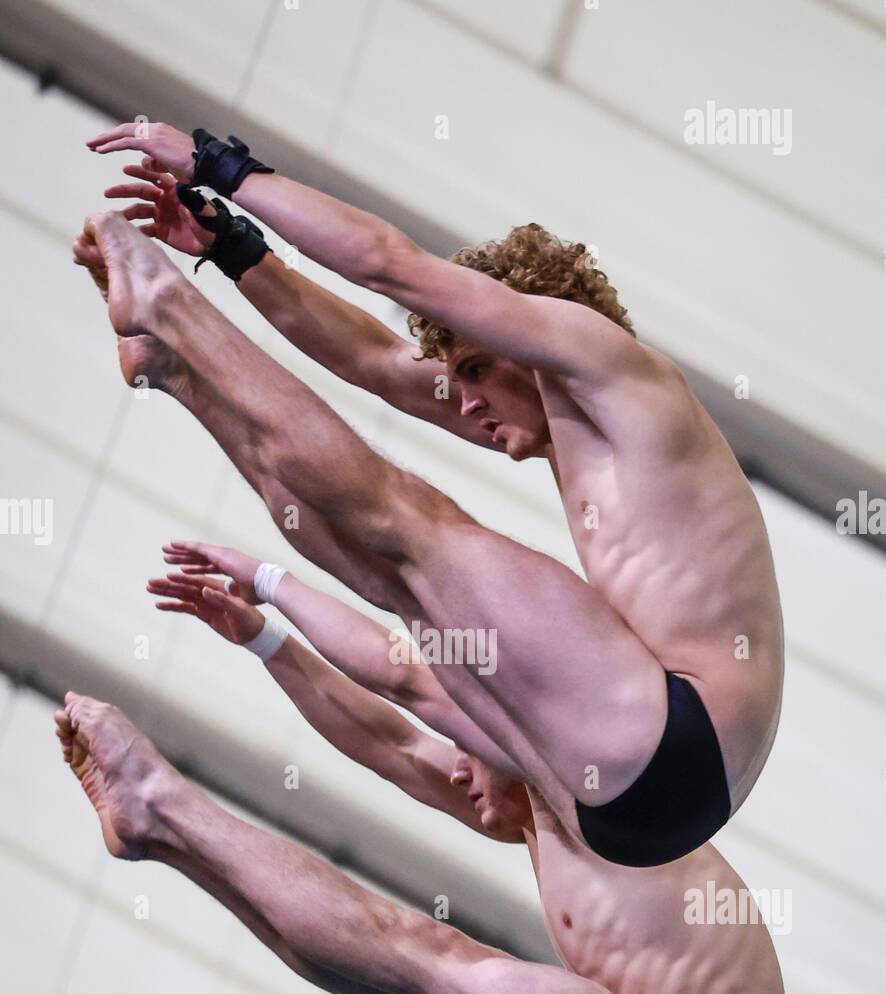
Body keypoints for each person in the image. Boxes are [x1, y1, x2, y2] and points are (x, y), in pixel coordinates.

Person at [77, 121, 784, 866]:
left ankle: (167, 303)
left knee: (409, 520)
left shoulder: (611, 369)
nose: (466, 400)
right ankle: (180, 370)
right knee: (391, 580)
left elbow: (390, 265)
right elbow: (376, 360)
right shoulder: (570, 420)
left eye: (477, 369)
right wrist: (233, 250)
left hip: (673, 736)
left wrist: (223, 167)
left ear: (529, 333)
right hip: (623, 801)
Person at [78, 542, 780, 994]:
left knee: (422, 956)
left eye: (469, 754)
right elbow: (391, 745)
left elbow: (402, 678)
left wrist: (270, 580)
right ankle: (161, 837)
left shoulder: (558, 770)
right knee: (406, 973)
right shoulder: (537, 805)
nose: (459, 776)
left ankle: (160, 804)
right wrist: (265, 642)